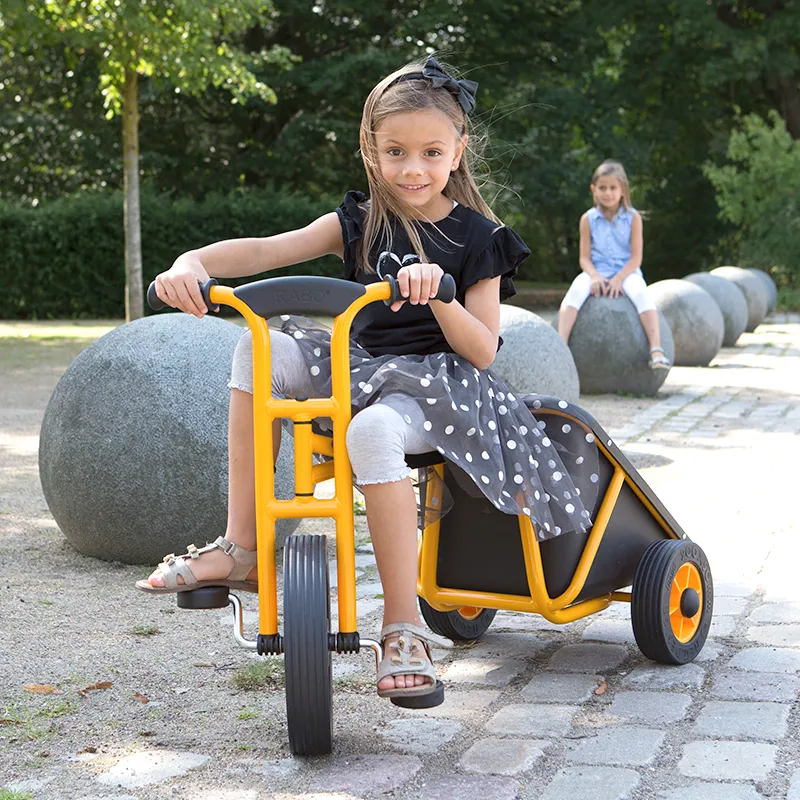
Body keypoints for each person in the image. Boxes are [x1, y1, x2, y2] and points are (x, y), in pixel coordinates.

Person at [136, 57, 596, 700]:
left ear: (458, 150)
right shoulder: (359, 220)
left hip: (439, 389)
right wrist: (192, 262)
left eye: (431, 152)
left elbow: (483, 350)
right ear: (371, 150)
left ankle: (404, 626)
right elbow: (267, 250)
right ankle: (242, 548)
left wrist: (442, 294)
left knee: (372, 431)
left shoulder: (480, 238)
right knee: (258, 348)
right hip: (360, 368)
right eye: (396, 151)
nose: (413, 169)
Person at [557, 160, 670, 370]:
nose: (607, 193)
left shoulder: (633, 218)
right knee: (574, 294)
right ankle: (559, 348)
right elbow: (584, 258)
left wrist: (619, 279)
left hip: (627, 272)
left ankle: (656, 349)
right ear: (594, 190)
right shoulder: (588, 219)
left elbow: (636, 258)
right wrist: (595, 276)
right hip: (596, 271)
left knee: (642, 295)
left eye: (612, 188)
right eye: (602, 188)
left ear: (623, 190)